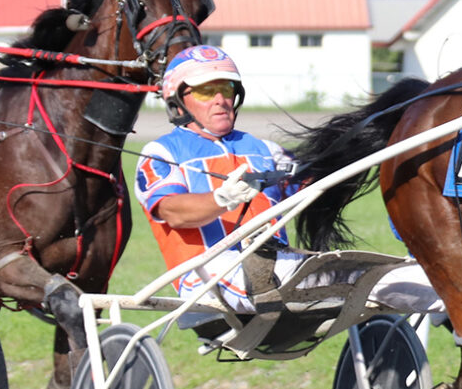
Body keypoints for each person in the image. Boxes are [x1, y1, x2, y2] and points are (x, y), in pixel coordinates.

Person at [135, 44, 442, 317]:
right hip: (209, 277)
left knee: (420, 282)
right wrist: (221, 198)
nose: (220, 100)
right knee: (322, 275)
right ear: (178, 101)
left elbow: (311, 186)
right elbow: (172, 211)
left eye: (226, 89)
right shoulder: (162, 152)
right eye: (205, 92)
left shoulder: (264, 149)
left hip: (281, 267)